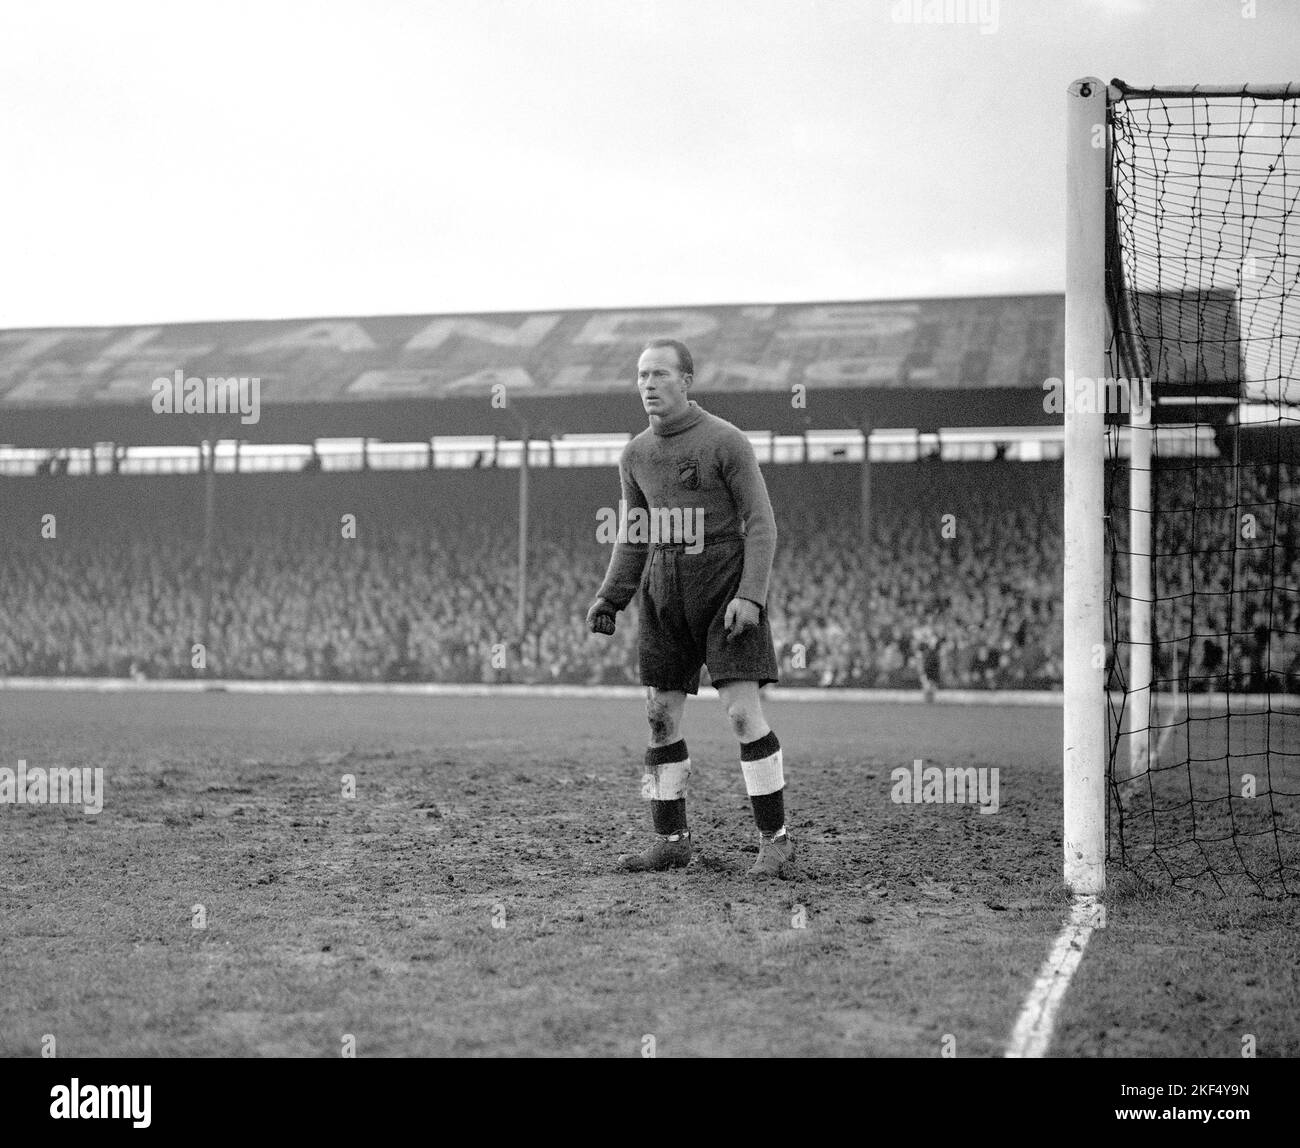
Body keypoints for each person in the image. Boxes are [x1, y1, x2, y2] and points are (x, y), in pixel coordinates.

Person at [586, 338, 794, 878]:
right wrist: (613, 597)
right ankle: (671, 841)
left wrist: (751, 593)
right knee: (659, 717)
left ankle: (775, 841)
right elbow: (634, 535)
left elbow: (762, 524)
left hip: (724, 584)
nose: (648, 384)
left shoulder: (726, 441)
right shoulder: (635, 455)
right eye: (640, 376)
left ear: (686, 381)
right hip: (663, 588)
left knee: (742, 713)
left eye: (659, 374)